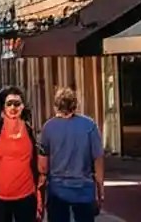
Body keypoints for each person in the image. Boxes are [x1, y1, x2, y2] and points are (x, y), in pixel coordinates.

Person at [39, 87, 104, 222]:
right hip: (84, 190)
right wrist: (100, 190)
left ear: (56, 106)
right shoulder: (89, 125)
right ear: (75, 105)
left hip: (57, 190)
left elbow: (43, 166)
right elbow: (98, 159)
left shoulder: (48, 128)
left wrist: (41, 193)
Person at [0, 86, 41, 222]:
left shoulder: (28, 129)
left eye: (17, 104)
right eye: (9, 103)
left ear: (22, 106)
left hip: (26, 195)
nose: (13, 107)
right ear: (3, 107)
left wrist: (39, 198)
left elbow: (35, 164)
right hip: (0, 197)